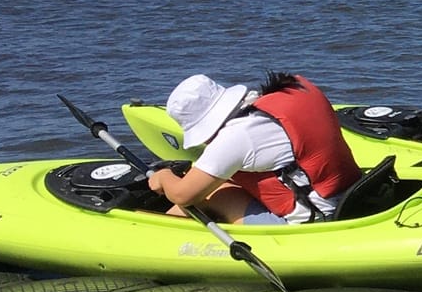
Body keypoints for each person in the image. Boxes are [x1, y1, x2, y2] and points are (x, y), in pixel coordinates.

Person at [147, 71, 364, 224]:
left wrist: (163, 176)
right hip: (349, 196)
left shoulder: (236, 137)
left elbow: (182, 195)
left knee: (217, 194)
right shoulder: (284, 96)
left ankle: (159, 238)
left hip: (313, 220)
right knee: (215, 183)